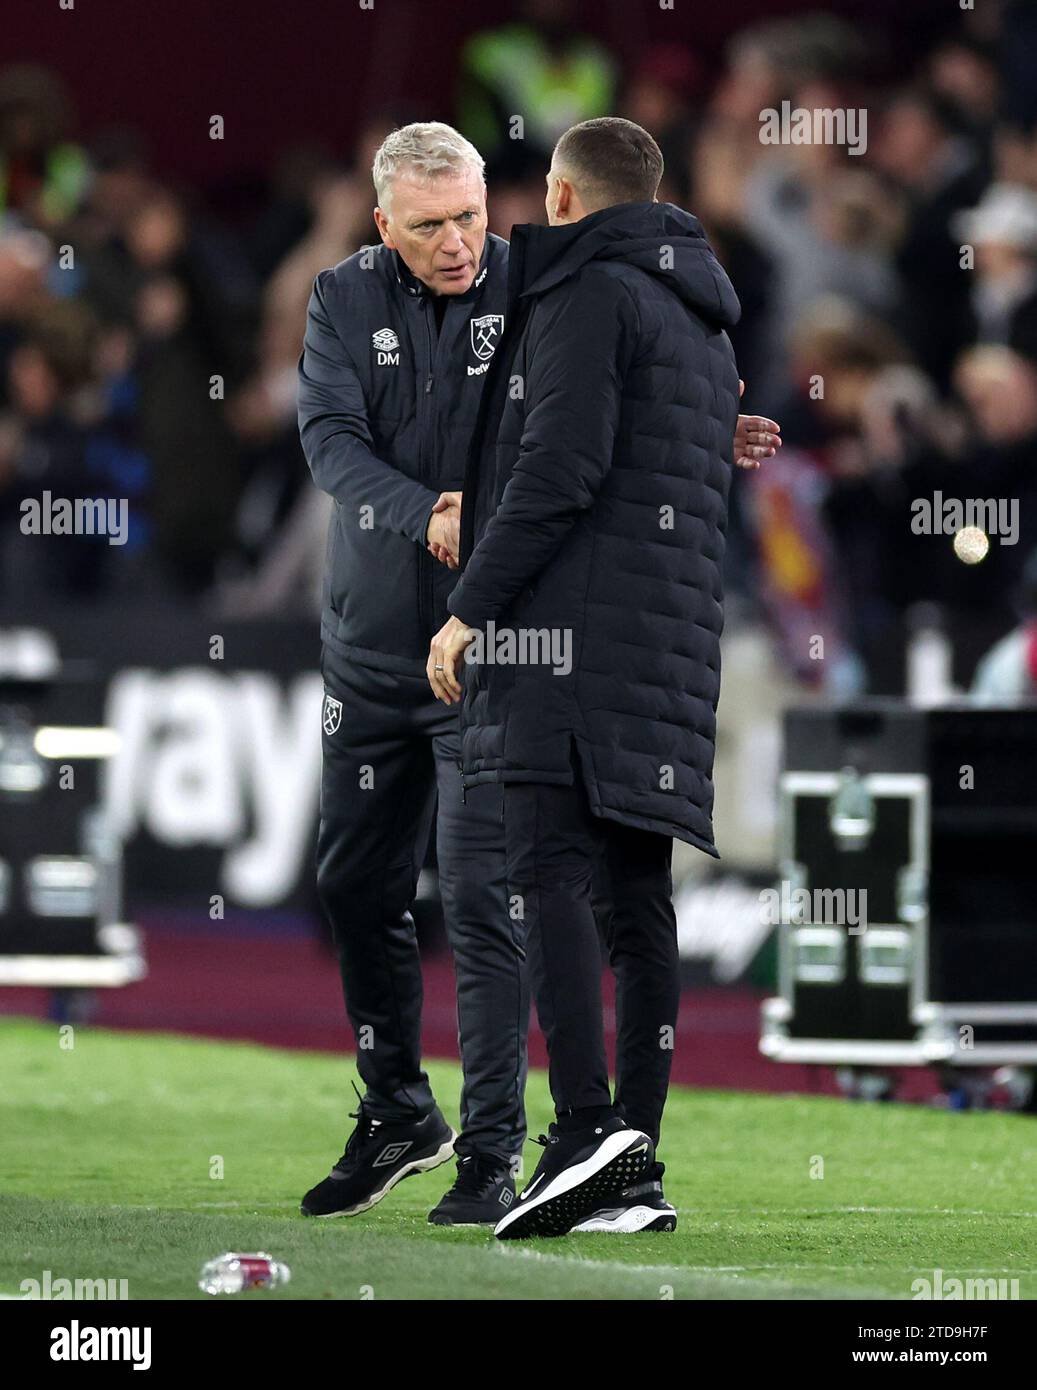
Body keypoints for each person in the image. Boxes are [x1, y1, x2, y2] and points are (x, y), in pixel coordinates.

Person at [298, 121, 779, 1229]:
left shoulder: (543, 279)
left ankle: (492, 1155)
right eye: (428, 226)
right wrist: (427, 514)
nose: (462, 240)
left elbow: (590, 418)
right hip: (375, 645)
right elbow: (328, 442)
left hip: (500, 645)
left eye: (471, 212)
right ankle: (394, 1106)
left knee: (489, 898)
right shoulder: (341, 297)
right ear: (383, 227)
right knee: (354, 886)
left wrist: (693, 423)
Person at [427, 117, 743, 1238]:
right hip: (666, 649)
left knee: (547, 870)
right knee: (634, 897)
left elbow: (559, 472)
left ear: (561, 196)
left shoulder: (584, 292)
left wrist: (469, 611)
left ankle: (579, 1134)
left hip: (569, 637)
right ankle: (634, 1165)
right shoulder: (703, 318)